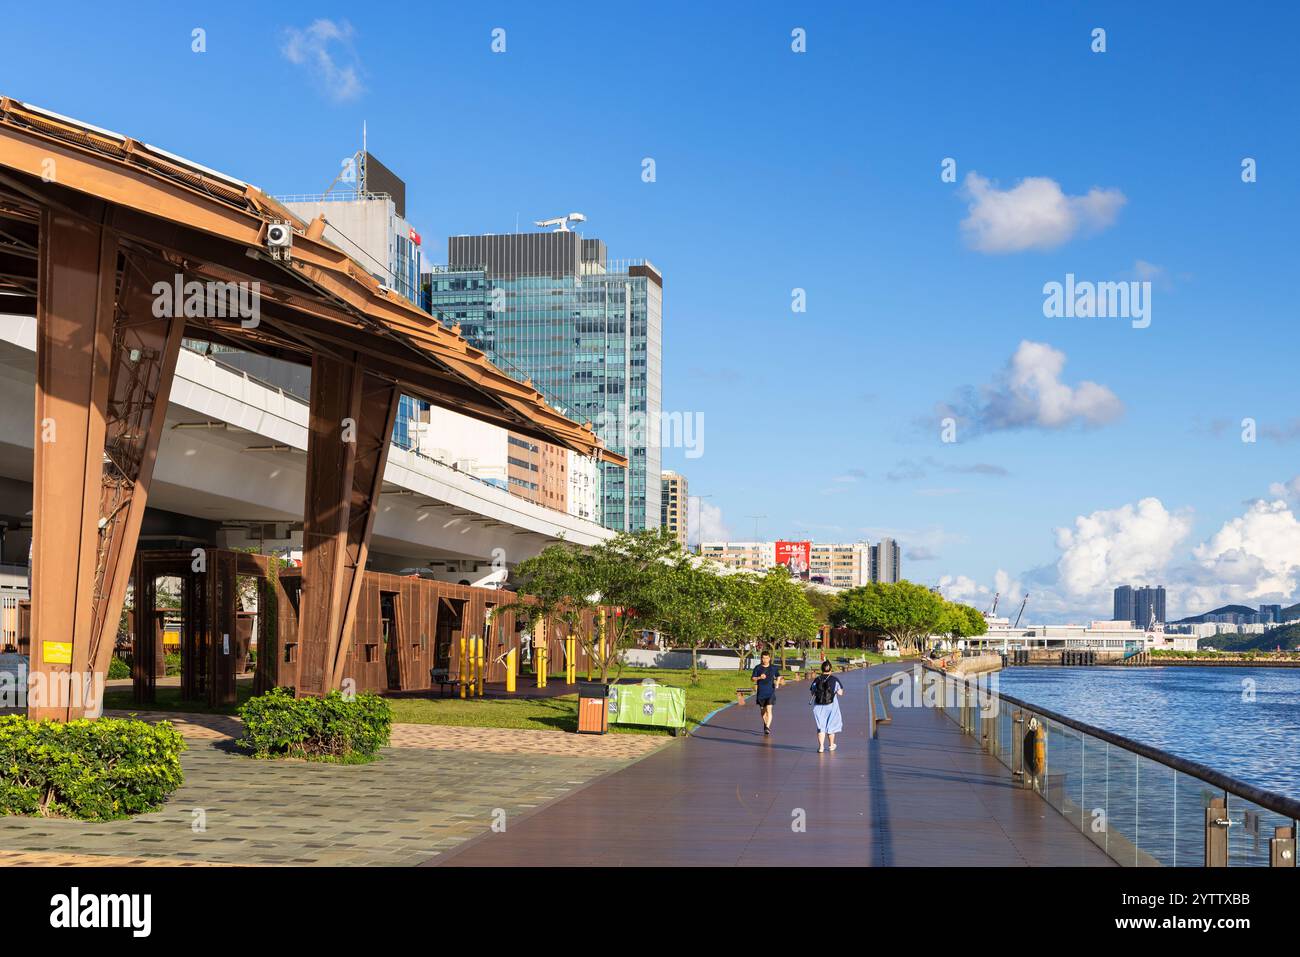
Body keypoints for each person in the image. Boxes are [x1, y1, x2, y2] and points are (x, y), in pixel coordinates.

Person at [810, 660, 844, 752]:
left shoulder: (817, 679)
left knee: (821, 727)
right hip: (831, 705)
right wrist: (836, 691)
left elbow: (812, 691)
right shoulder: (834, 679)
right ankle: (831, 745)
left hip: (818, 705)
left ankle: (821, 747)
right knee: (831, 726)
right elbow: (840, 693)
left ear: (821, 669)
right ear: (831, 669)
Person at [750, 650, 782, 736]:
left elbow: (778, 676)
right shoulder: (758, 668)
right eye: (763, 658)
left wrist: (777, 683)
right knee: (763, 712)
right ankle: (766, 724)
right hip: (761, 692)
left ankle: (767, 727)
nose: (765, 660)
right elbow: (752, 678)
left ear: (769, 658)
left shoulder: (774, 667)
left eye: (767, 658)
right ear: (761, 658)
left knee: (769, 710)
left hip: (770, 692)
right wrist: (759, 677)